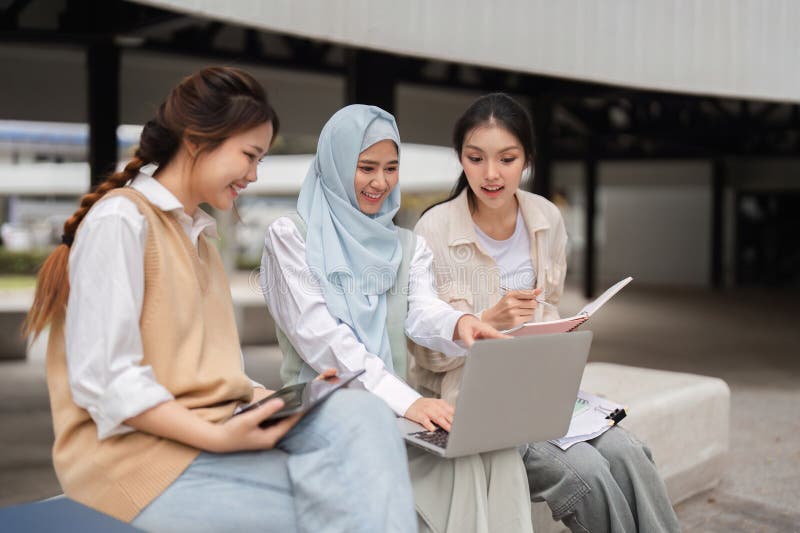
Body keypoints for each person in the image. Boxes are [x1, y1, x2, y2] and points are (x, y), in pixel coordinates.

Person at [25, 67, 417, 533]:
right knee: (352, 502)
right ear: (196, 141)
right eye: (249, 156)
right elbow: (107, 382)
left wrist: (281, 400)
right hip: (134, 465)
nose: (253, 175)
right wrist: (218, 437)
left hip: (206, 445)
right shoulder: (121, 222)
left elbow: (209, 376)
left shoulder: (202, 243)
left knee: (362, 412)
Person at [410, 93, 682, 533]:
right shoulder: (434, 229)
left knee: (629, 453)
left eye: (507, 158)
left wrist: (561, 333)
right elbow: (426, 357)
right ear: (460, 158)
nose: (491, 174)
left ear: (528, 160)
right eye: (475, 158)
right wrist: (489, 322)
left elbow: (550, 305)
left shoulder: (547, 218)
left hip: (541, 391)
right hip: (472, 403)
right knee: (588, 473)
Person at [260, 104, 534, 533]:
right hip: (324, 413)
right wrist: (409, 401)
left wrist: (461, 324)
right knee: (459, 466)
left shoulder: (406, 245)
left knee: (498, 453)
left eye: (391, 168)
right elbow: (324, 341)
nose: (380, 182)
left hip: (394, 410)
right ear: (334, 164)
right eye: (366, 167)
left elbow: (422, 310)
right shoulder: (290, 236)